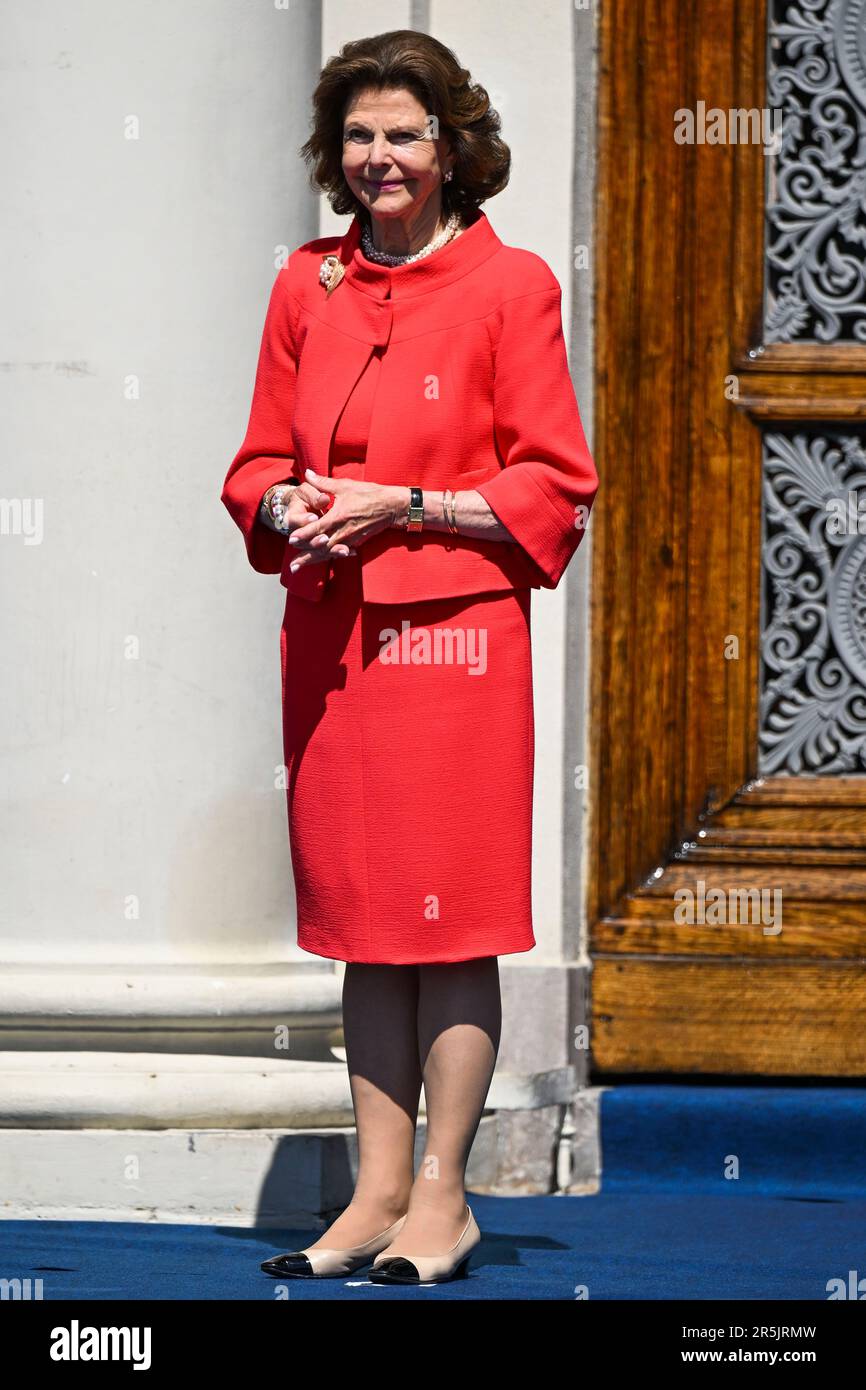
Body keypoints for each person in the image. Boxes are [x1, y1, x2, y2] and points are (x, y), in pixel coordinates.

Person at [220, 29, 599, 1286]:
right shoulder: (303, 286)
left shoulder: (513, 287)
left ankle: (445, 1194)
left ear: (450, 149)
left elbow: (554, 484)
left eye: (404, 134)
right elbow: (260, 459)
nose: (379, 157)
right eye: (360, 135)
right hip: (332, 643)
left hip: (454, 642)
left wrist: (407, 507)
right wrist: (285, 506)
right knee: (367, 925)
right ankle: (375, 1189)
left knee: (451, 922)